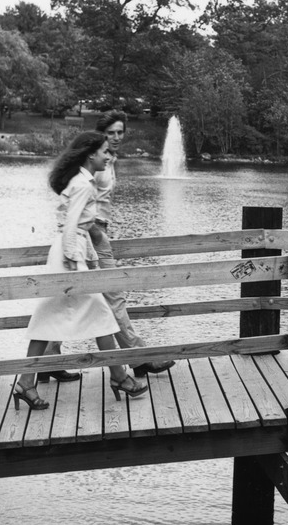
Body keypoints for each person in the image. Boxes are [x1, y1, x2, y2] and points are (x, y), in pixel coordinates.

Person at [13, 131, 148, 410]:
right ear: (91, 154)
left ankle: (27, 383)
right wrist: (75, 264)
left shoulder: (79, 181)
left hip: (69, 253)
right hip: (68, 257)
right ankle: (120, 376)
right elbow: (73, 225)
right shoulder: (84, 185)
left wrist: (84, 258)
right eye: (105, 152)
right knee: (99, 312)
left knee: (50, 316)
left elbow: (75, 228)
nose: (109, 157)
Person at [90, 110, 175, 377]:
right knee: (114, 297)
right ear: (101, 133)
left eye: (120, 132)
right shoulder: (92, 160)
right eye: (111, 133)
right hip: (93, 235)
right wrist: (96, 233)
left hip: (96, 233)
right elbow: (79, 198)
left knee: (67, 298)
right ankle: (139, 358)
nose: (116, 137)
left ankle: (47, 361)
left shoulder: (107, 159)